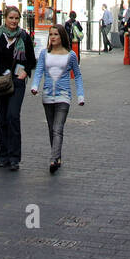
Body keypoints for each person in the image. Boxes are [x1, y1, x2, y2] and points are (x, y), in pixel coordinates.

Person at [0, 6, 36, 171]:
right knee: (2, 118)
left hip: (17, 81)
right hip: (0, 80)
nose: (14, 21)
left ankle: (14, 157)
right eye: (11, 18)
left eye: (16, 18)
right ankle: (3, 155)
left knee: (13, 116)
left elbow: (31, 59)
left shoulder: (24, 37)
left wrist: (25, 72)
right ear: (5, 18)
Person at [31, 24, 84, 173]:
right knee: (51, 129)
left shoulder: (71, 55)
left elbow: (77, 75)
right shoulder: (44, 54)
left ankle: (53, 159)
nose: (53, 37)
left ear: (62, 37)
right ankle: (57, 155)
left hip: (64, 96)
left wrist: (80, 95)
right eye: (51, 34)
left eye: (56, 34)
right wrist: (34, 86)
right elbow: (39, 71)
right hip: (47, 96)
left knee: (57, 128)